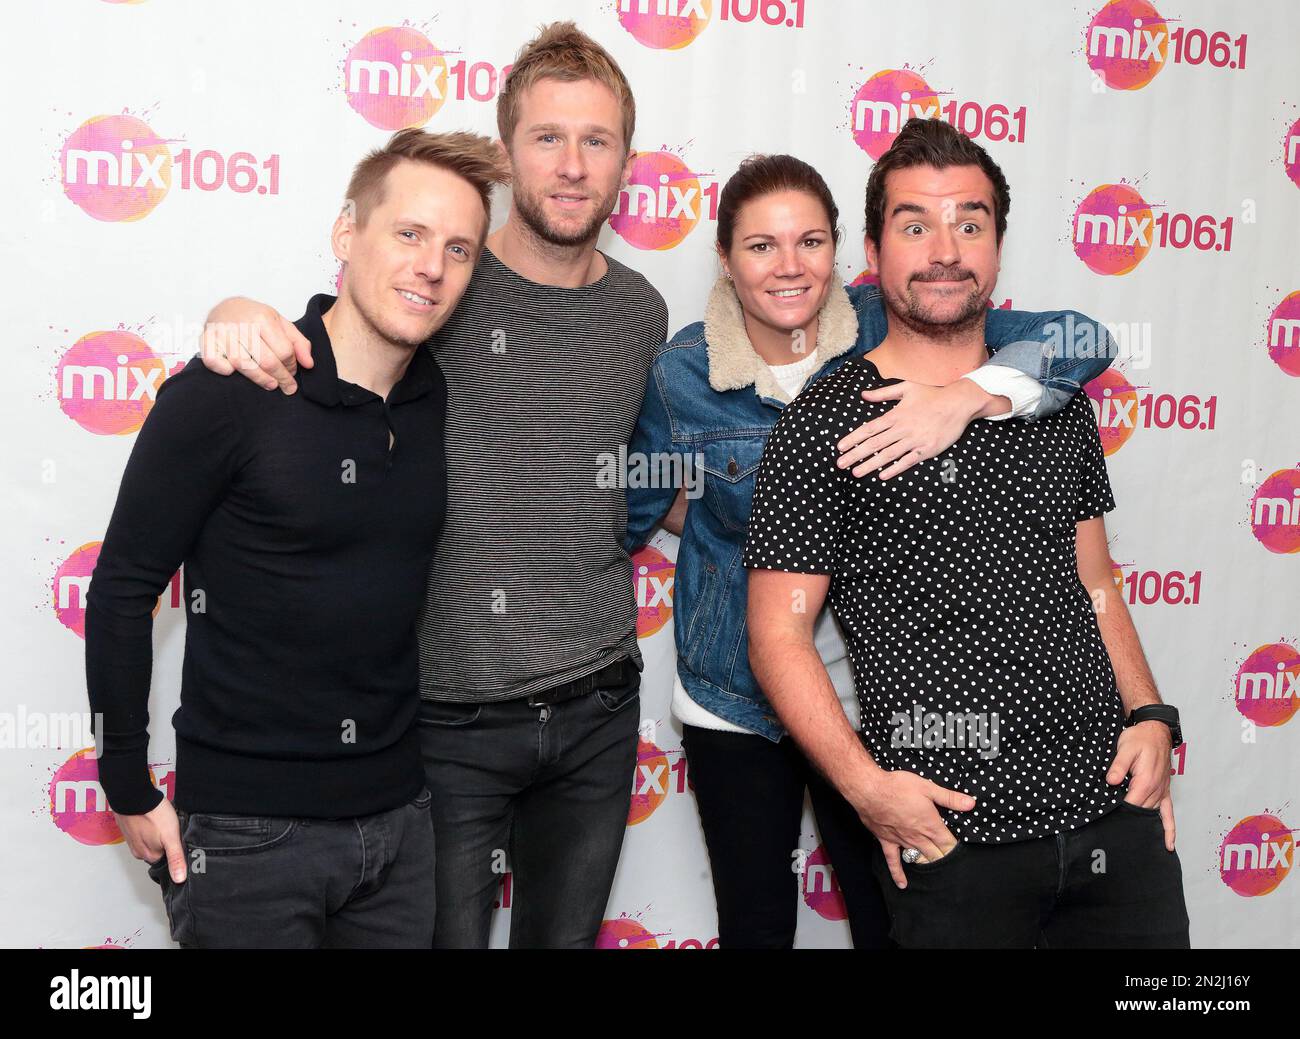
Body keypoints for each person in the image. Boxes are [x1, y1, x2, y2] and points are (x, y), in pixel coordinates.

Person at [197, 23, 669, 948]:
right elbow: (320, 352)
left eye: (597, 140)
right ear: (506, 152)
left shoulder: (640, 311)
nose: (573, 166)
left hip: (600, 707)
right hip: (446, 719)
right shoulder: (439, 282)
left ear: (625, 160)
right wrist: (231, 312)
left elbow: (632, 474)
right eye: (547, 137)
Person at [625, 152, 1118, 947]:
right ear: (725, 256)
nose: (789, 266)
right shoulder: (682, 371)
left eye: (810, 241)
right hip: (732, 692)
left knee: (889, 917)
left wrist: (967, 396)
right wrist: (728, 529)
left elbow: (1081, 338)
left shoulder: (891, 316)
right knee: (755, 927)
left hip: (865, 697)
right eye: (761, 245)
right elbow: (635, 505)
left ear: (842, 248)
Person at [744, 118, 1190, 948]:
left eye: (970, 224)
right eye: (915, 226)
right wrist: (867, 788)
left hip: (1116, 820)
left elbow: (1096, 581)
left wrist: (1152, 713)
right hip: (955, 844)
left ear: (998, 246)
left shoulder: (1053, 406)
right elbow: (777, 634)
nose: (945, 251)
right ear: (873, 251)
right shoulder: (823, 423)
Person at [85, 129, 507, 948]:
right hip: (246, 837)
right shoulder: (230, 391)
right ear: (347, 233)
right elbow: (122, 588)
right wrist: (127, 783)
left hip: (400, 827)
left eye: (458, 249)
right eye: (410, 233)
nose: (431, 265)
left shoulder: (434, 396)